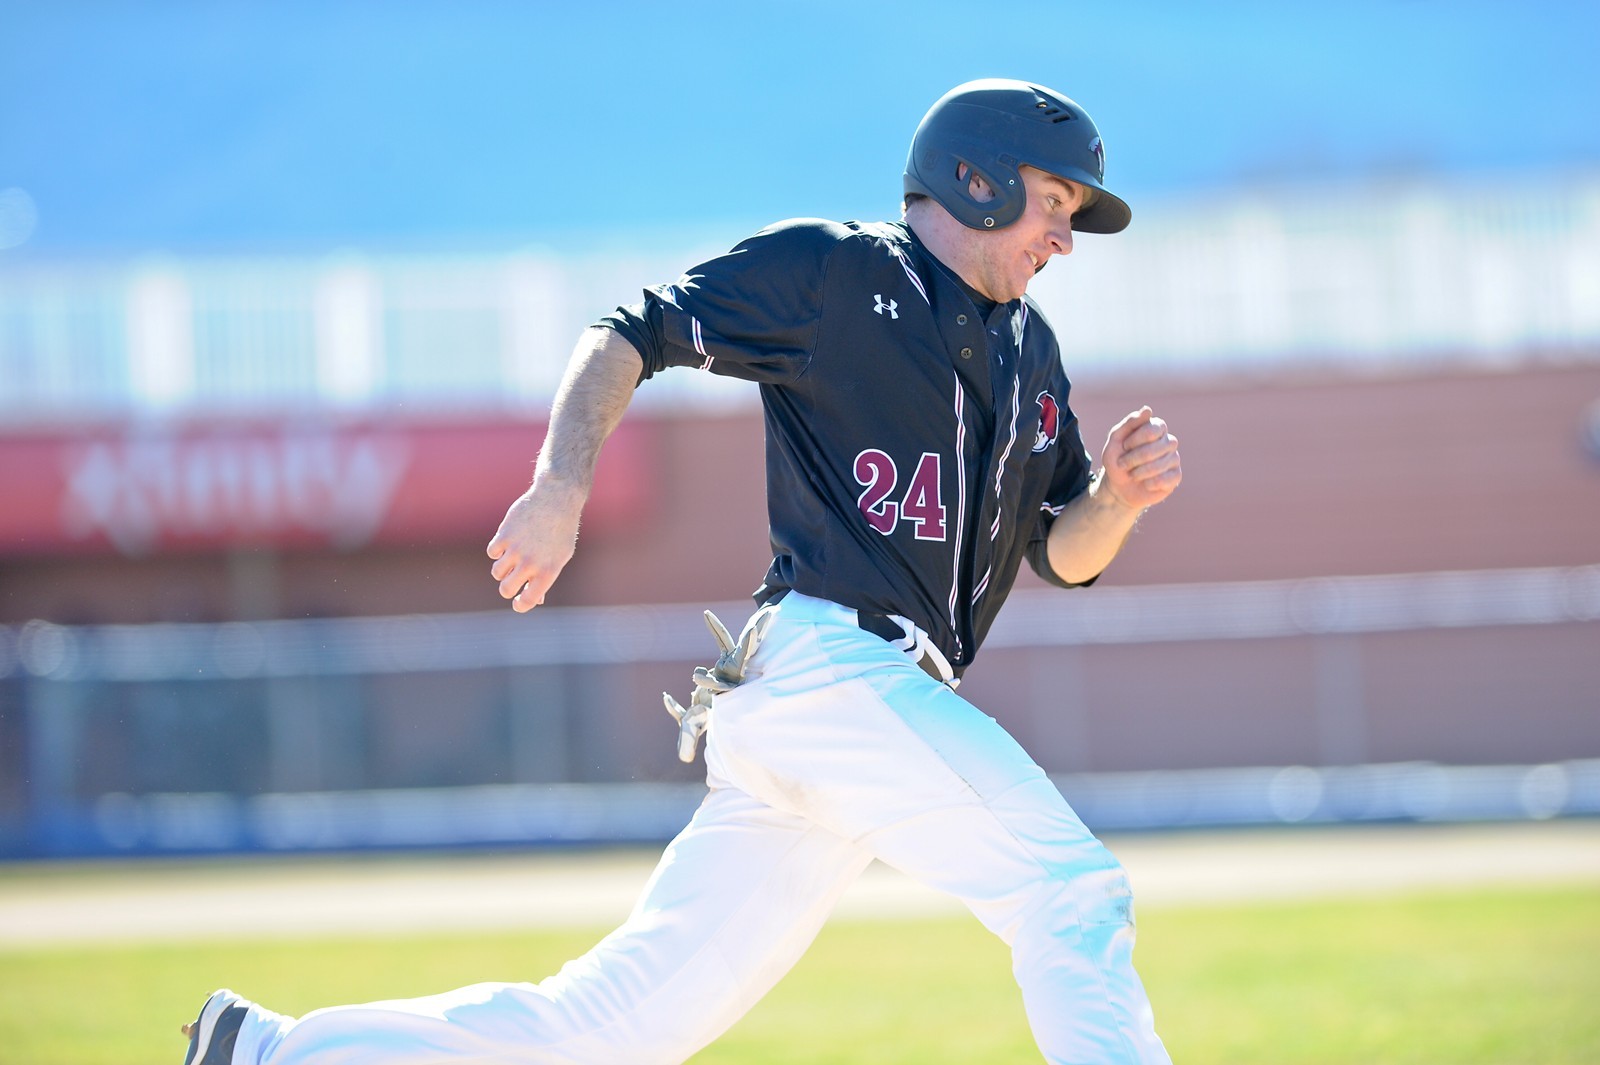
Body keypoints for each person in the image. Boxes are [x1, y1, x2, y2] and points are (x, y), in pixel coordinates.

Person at [180, 77, 1182, 1065]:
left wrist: (1118, 503)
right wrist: (558, 485)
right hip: (838, 670)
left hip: (853, 714)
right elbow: (630, 331)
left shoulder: (1029, 349)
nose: (1060, 237)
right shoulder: (834, 272)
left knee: (613, 1025)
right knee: (1067, 891)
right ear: (973, 179)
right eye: (1051, 203)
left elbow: (1059, 549)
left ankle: (276, 1053)